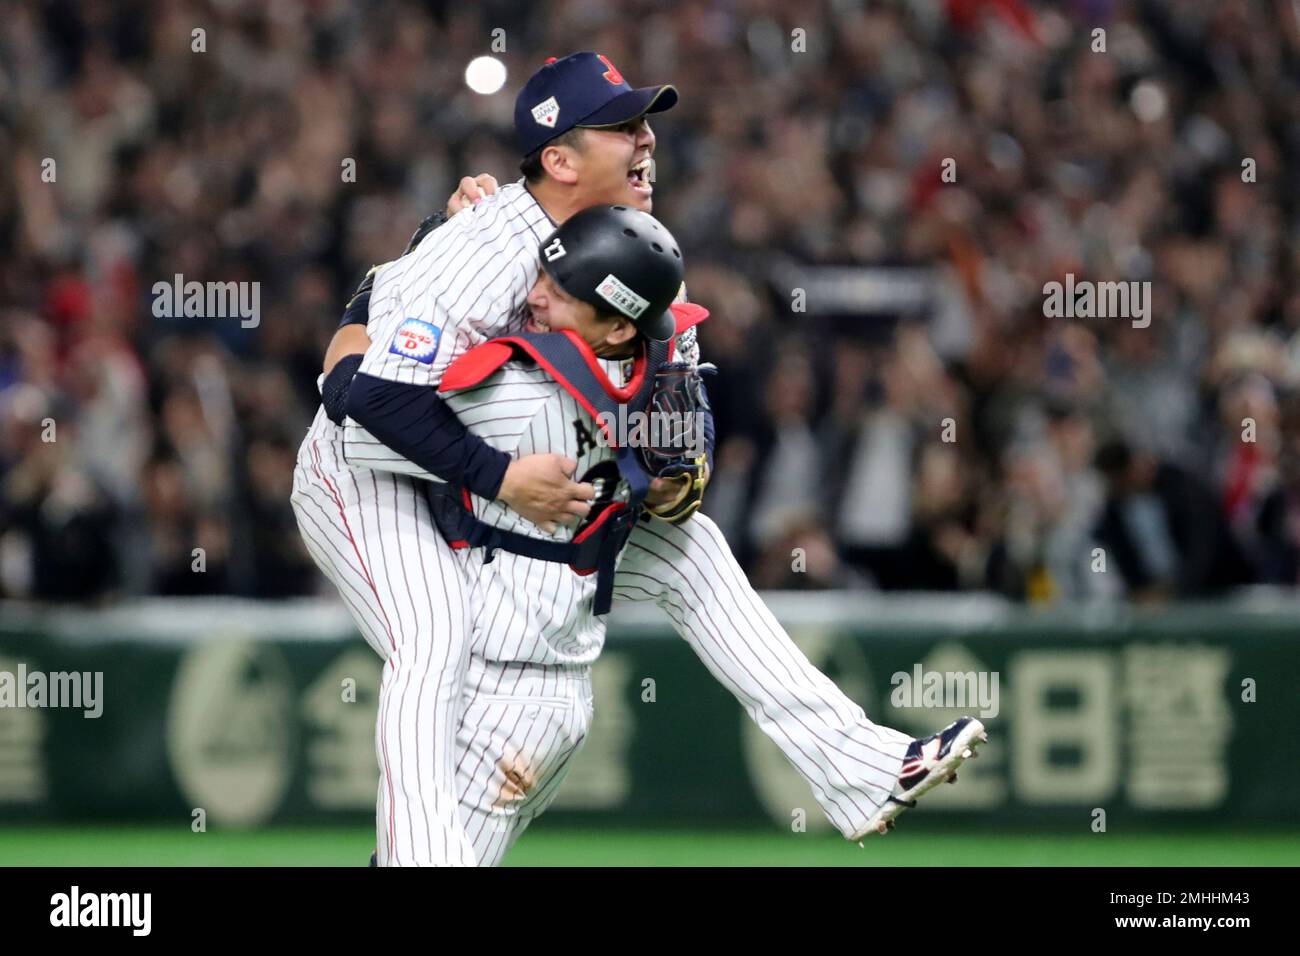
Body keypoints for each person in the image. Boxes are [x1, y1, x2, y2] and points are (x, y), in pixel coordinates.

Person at [295, 52, 985, 866]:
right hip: (363, 468)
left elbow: (678, 446)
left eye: (643, 121)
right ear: (559, 158)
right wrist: (505, 477)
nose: (646, 138)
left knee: (692, 553)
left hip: (475, 470)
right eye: (622, 126)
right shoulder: (483, 247)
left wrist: (662, 479)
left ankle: (859, 767)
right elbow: (363, 398)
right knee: (436, 633)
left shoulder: (631, 251)